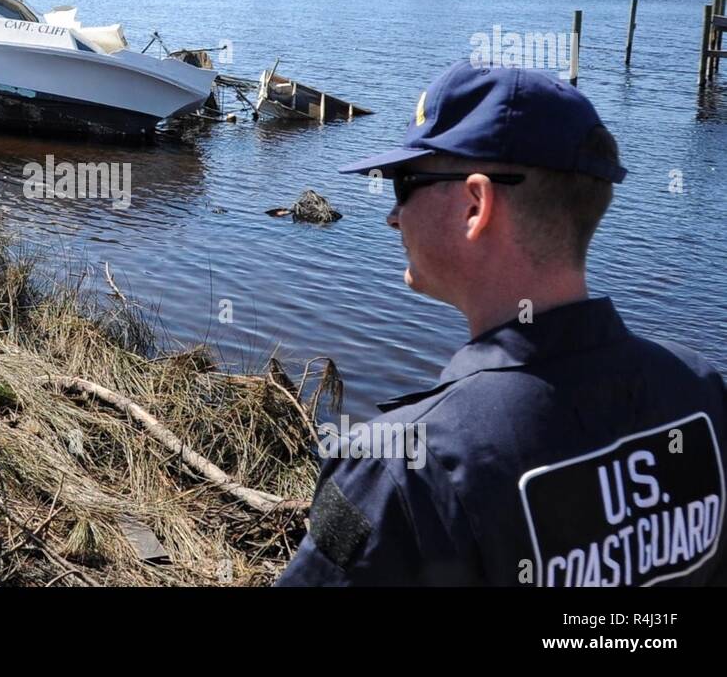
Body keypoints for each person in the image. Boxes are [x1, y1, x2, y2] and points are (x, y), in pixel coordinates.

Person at [276, 61, 726, 586]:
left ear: (475, 205)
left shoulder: (400, 467)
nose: (393, 216)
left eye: (405, 183)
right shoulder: (699, 390)